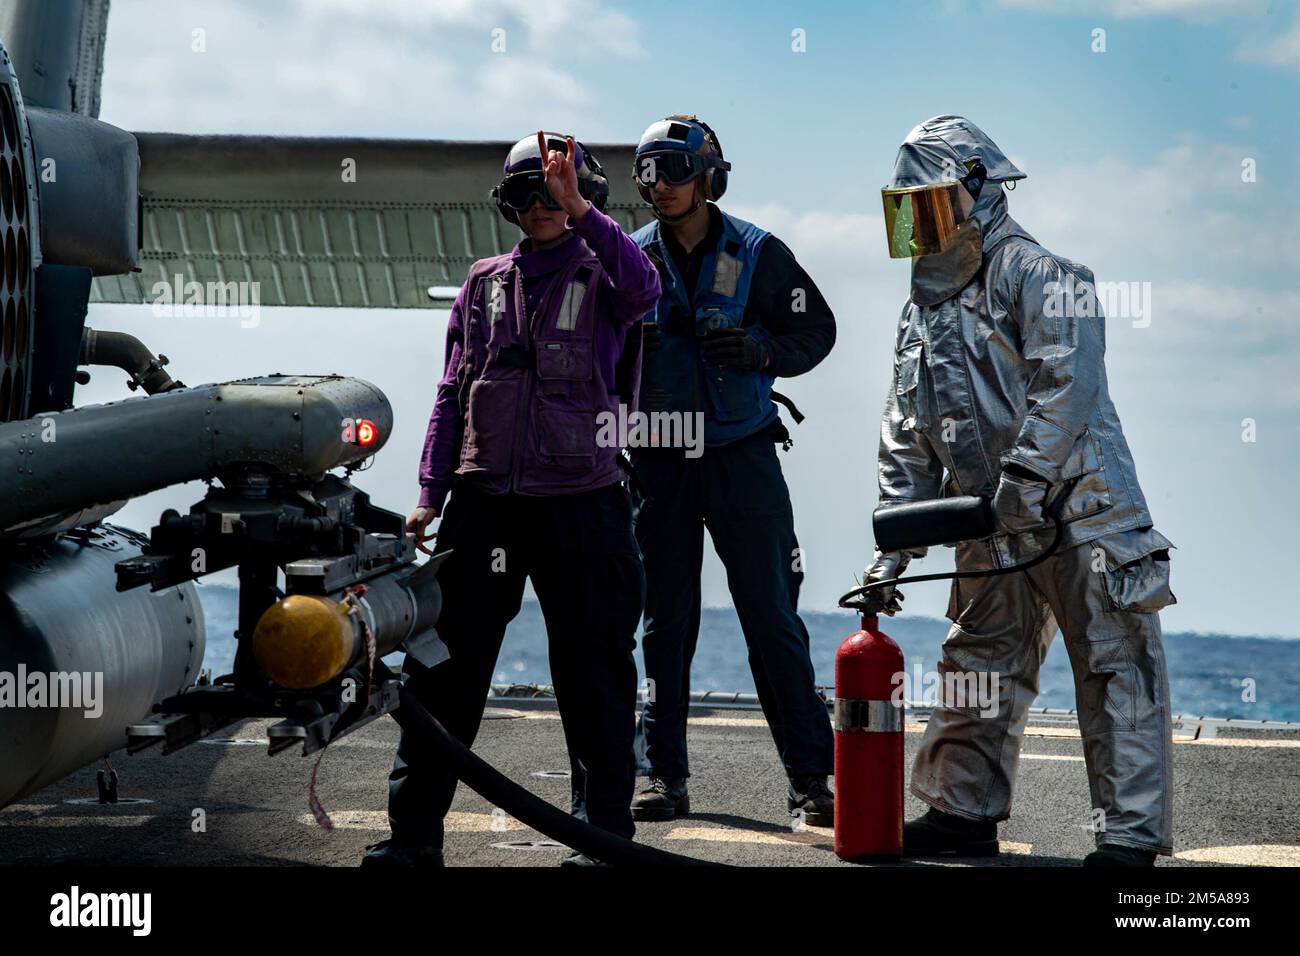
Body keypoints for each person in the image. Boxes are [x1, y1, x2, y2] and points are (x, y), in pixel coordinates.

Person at [866, 115, 1175, 867]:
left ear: (979, 190)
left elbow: (1064, 387)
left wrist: (1026, 483)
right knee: (977, 663)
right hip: (990, 524)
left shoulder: (1043, 275)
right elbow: (907, 431)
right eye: (911, 211)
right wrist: (893, 546)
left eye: (935, 205)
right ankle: (961, 813)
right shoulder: (922, 314)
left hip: (1083, 513)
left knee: (1113, 664)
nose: (924, 226)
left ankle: (1129, 839)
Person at [362, 131, 661, 867]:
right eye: (526, 195)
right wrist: (430, 491)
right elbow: (450, 393)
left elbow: (646, 289)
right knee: (443, 673)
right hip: (485, 502)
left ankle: (602, 844)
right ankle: (413, 839)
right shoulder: (483, 281)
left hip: (583, 505)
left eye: (552, 193)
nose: (540, 208)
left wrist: (581, 209)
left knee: (593, 678)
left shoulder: (607, 274)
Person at [627, 115, 837, 826]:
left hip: (742, 459)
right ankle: (661, 776)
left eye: (676, 173)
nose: (662, 188)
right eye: (650, 175)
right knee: (664, 625)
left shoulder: (758, 252)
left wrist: (758, 350)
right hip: (659, 465)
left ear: (709, 177)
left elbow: (816, 330)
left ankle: (812, 780)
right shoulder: (627, 259)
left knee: (772, 620)